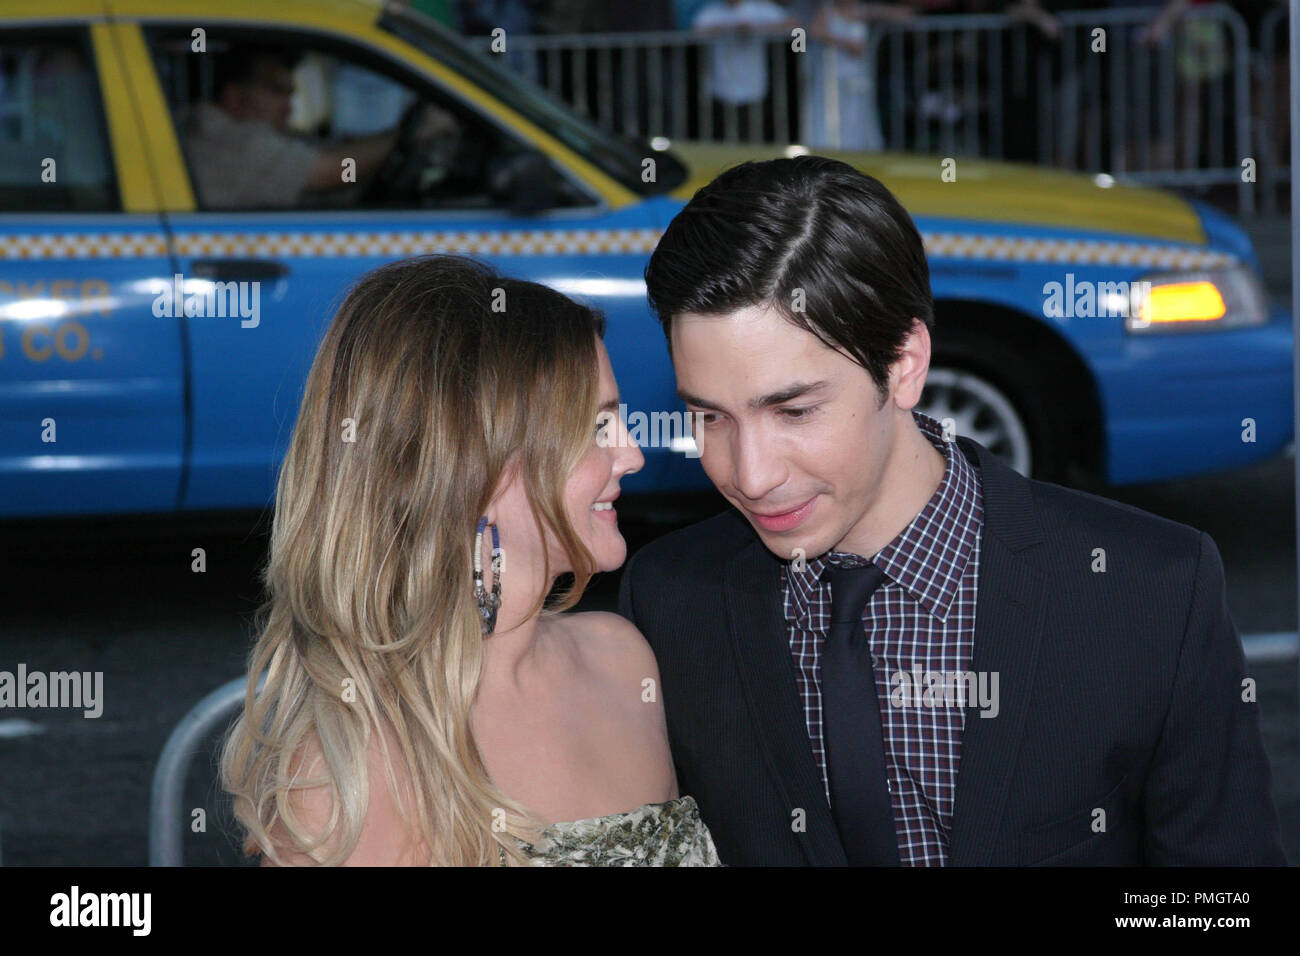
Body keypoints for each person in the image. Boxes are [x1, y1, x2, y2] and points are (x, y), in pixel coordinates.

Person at [623, 155, 1288, 866]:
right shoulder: (669, 601)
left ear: (905, 363)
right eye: (711, 418)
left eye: (793, 410)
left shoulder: (1151, 591)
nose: (750, 475)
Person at [220, 255, 720, 866]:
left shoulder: (623, 661)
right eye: (595, 426)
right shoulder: (344, 774)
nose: (632, 456)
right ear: (474, 468)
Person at [180, 44, 456, 209]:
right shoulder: (229, 140)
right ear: (236, 97)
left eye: (291, 94)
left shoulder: (237, 130)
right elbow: (337, 168)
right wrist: (410, 133)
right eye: (278, 92)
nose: (289, 107)